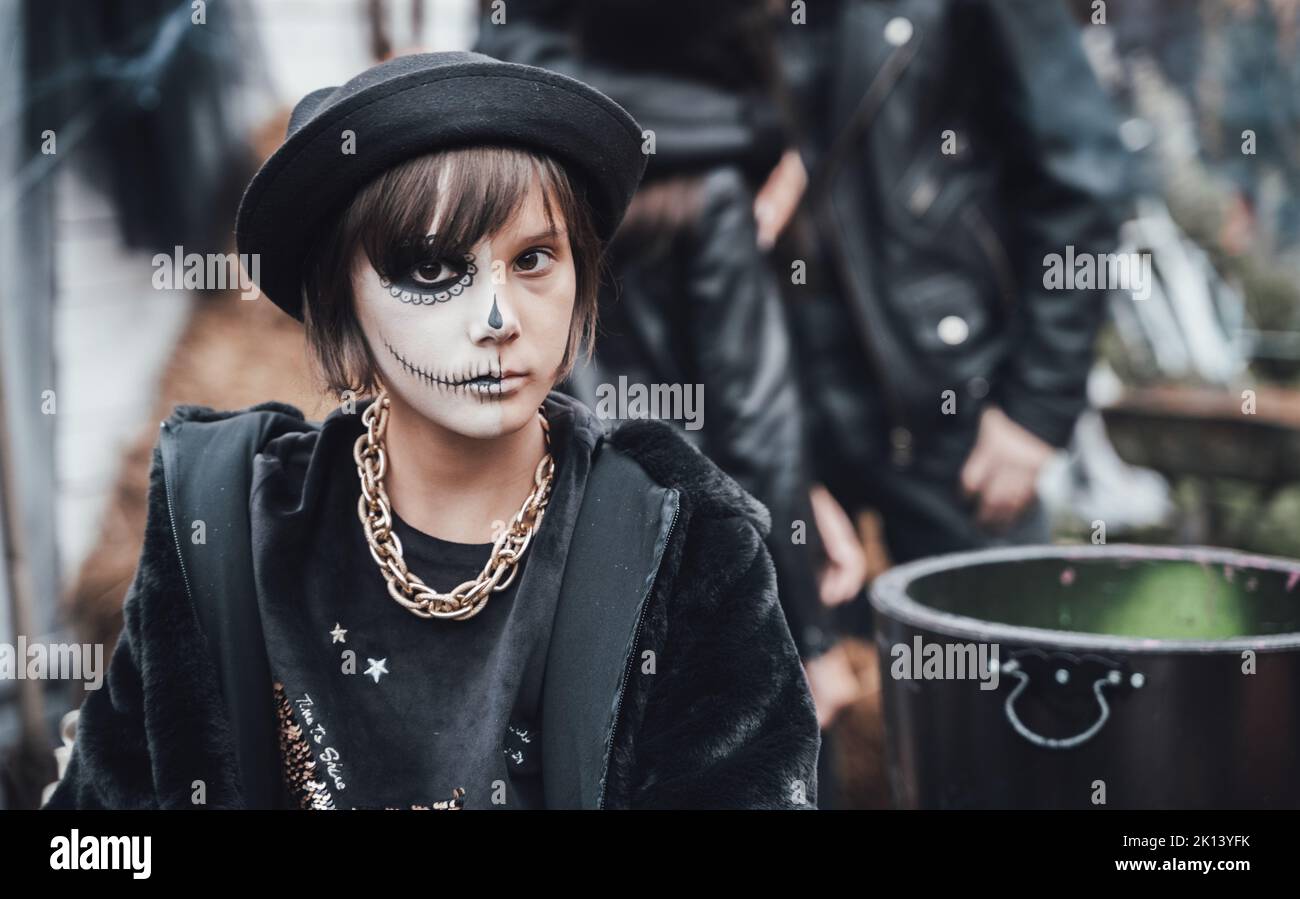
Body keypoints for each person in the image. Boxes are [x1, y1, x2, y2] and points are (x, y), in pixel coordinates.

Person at [42, 51, 820, 810]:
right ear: (340, 297)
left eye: (534, 258)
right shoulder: (222, 521)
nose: (498, 320)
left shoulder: (683, 545)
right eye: (430, 268)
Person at [776, 0, 1131, 563]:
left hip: (950, 406)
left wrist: (1036, 409)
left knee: (987, 641)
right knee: (784, 647)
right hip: (778, 413)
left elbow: (1083, 182)